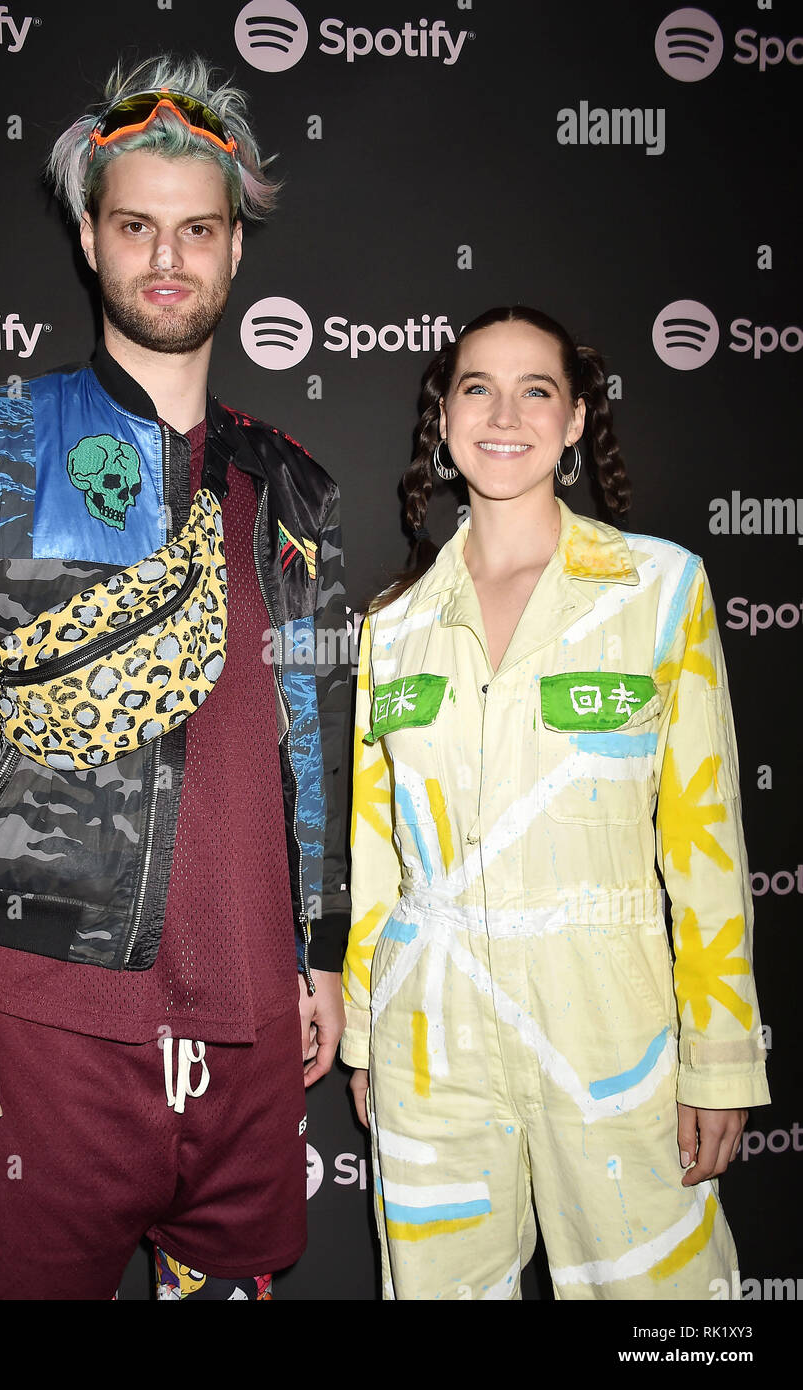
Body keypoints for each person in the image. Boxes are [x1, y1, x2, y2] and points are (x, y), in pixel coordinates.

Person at [0, 56, 350, 1301]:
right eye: (135, 226)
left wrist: (321, 948)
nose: (166, 256)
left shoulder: (291, 479)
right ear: (89, 238)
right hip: (41, 1026)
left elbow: (311, 732)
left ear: (234, 249)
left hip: (250, 1030)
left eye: (196, 229)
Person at [341, 304, 769, 1301]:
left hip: (612, 1034)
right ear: (444, 418)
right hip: (429, 1037)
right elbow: (375, 854)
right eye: (476, 389)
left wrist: (716, 1059)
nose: (504, 415)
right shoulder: (393, 625)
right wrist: (367, 1032)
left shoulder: (658, 589)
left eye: (535, 390)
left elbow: (705, 848)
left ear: (574, 419)